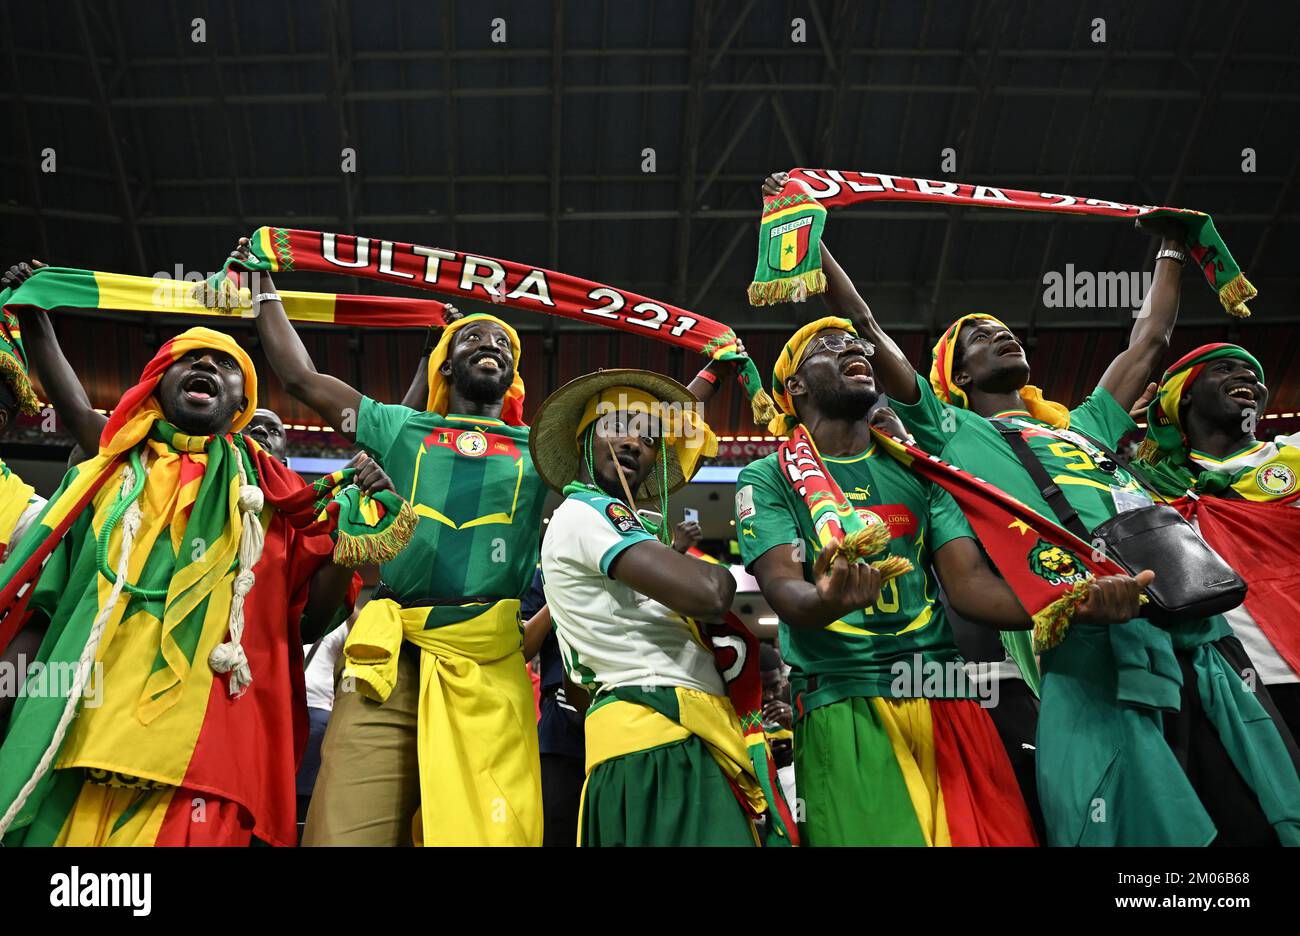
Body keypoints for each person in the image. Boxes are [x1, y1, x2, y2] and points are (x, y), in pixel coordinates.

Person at [774, 165, 1300, 845]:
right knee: (1148, 834)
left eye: (1005, 329)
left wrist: (1171, 244)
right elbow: (866, 326)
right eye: (980, 335)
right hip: (1091, 641)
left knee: (1255, 812)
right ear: (957, 376)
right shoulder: (950, 436)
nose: (1002, 336)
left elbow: (1150, 343)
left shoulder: (1083, 427)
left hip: (1197, 633)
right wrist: (810, 232)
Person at [739, 317, 1151, 845]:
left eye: (855, 341)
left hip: (947, 693)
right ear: (795, 386)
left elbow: (970, 586)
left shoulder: (920, 472)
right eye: (827, 346)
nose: (852, 348)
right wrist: (824, 601)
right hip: (846, 700)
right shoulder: (767, 477)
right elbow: (784, 590)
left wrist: (1073, 602)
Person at [0, 308, 404, 846]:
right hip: (83, 730)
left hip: (206, 752)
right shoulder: (115, 466)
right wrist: (39, 324)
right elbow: (76, 409)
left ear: (241, 402)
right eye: (190, 359)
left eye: (225, 364)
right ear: (156, 384)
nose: (208, 366)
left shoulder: (277, 496)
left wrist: (347, 540)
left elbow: (309, 620)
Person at [234, 235, 550, 846]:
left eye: (504, 346)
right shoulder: (396, 425)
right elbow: (301, 378)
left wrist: (693, 388)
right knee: (342, 832)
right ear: (445, 366)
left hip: (490, 668)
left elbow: (635, 475)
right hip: (387, 662)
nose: (490, 347)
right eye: (472, 339)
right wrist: (262, 286)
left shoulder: (543, 449)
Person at [532, 367, 785, 846]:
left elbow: (576, 685)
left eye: (649, 440)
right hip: (662, 739)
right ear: (585, 437)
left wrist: (709, 377)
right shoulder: (590, 512)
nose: (633, 443)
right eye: (617, 426)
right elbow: (710, 593)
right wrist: (708, 571)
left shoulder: (598, 525)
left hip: (636, 737)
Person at [1136, 343, 1300, 737]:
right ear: (1185, 394)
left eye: (1254, 375)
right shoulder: (1143, 487)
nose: (1247, 378)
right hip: (1208, 686)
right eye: (1224, 369)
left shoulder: (1294, 454)